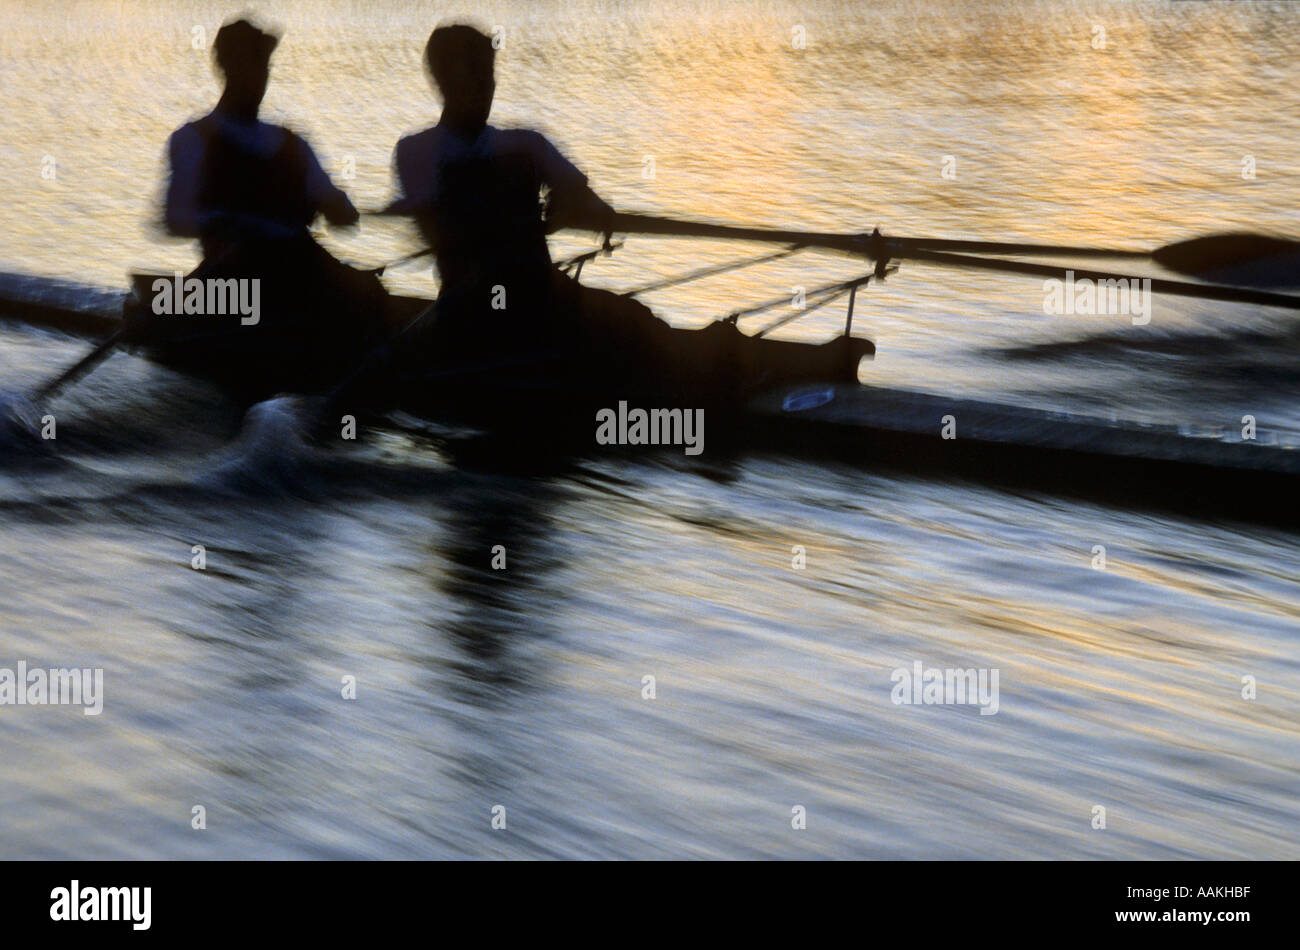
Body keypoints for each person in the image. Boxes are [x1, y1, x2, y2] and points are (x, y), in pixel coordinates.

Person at [389, 22, 672, 368]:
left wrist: (573, 204)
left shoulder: (527, 144)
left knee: (636, 318)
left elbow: (591, 204)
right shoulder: (417, 152)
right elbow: (438, 231)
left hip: (541, 296)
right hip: (470, 308)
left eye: (489, 74)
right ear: (444, 82)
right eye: (474, 74)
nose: (486, 86)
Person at [151, 17, 388, 394]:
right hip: (233, 280)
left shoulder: (294, 143)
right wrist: (227, 223)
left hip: (298, 273)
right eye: (250, 63)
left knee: (372, 294)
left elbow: (342, 217)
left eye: (263, 64)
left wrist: (341, 209)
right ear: (225, 67)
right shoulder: (191, 139)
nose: (259, 74)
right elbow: (174, 219)